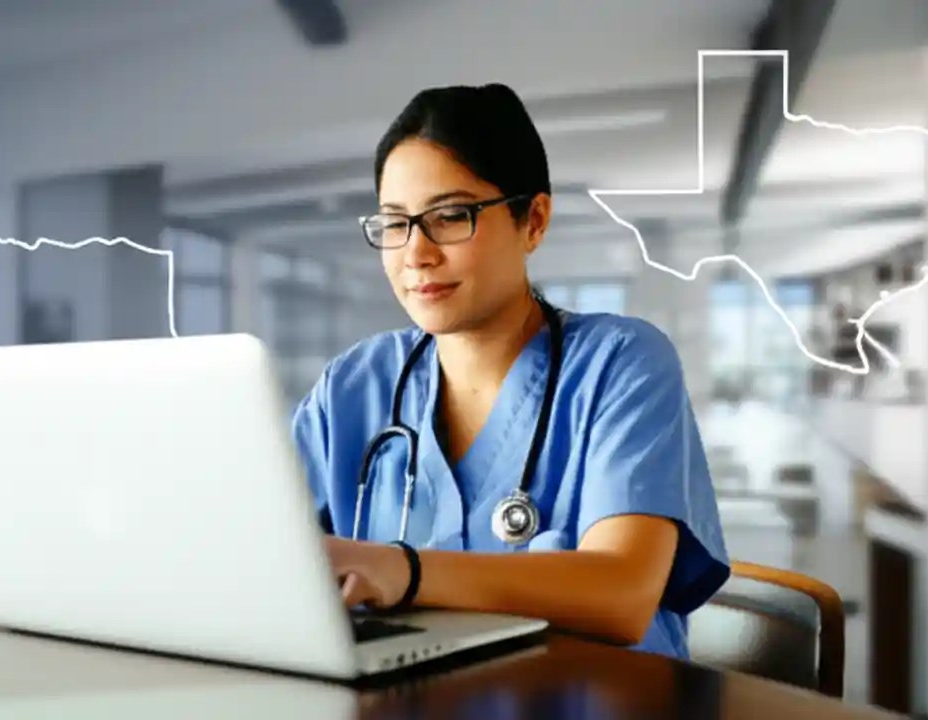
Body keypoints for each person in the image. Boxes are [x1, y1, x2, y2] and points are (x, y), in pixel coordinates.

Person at [290, 84, 730, 660]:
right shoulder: (352, 387)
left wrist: (403, 571)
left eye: (451, 216)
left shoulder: (621, 363)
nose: (416, 253)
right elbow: (260, 557)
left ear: (534, 221)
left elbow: (622, 593)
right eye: (395, 223)